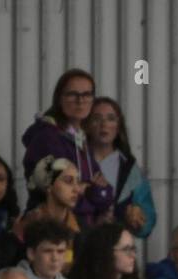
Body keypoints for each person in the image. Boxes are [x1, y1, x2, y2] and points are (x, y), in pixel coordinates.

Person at [20, 69, 114, 227]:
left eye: (87, 94)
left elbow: (105, 192)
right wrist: (91, 194)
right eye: (72, 94)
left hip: (83, 228)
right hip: (53, 228)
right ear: (59, 99)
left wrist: (91, 192)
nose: (80, 100)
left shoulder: (82, 138)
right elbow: (57, 194)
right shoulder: (47, 138)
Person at [86, 97, 156, 238]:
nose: (104, 124)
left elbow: (147, 219)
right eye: (97, 118)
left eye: (111, 118)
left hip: (116, 247)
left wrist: (138, 218)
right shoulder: (76, 160)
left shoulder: (130, 169)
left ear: (118, 126)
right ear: (87, 125)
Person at [14, 156, 82, 254]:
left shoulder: (81, 227)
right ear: (48, 185)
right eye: (68, 181)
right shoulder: (30, 222)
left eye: (78, 182)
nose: (77, 189)